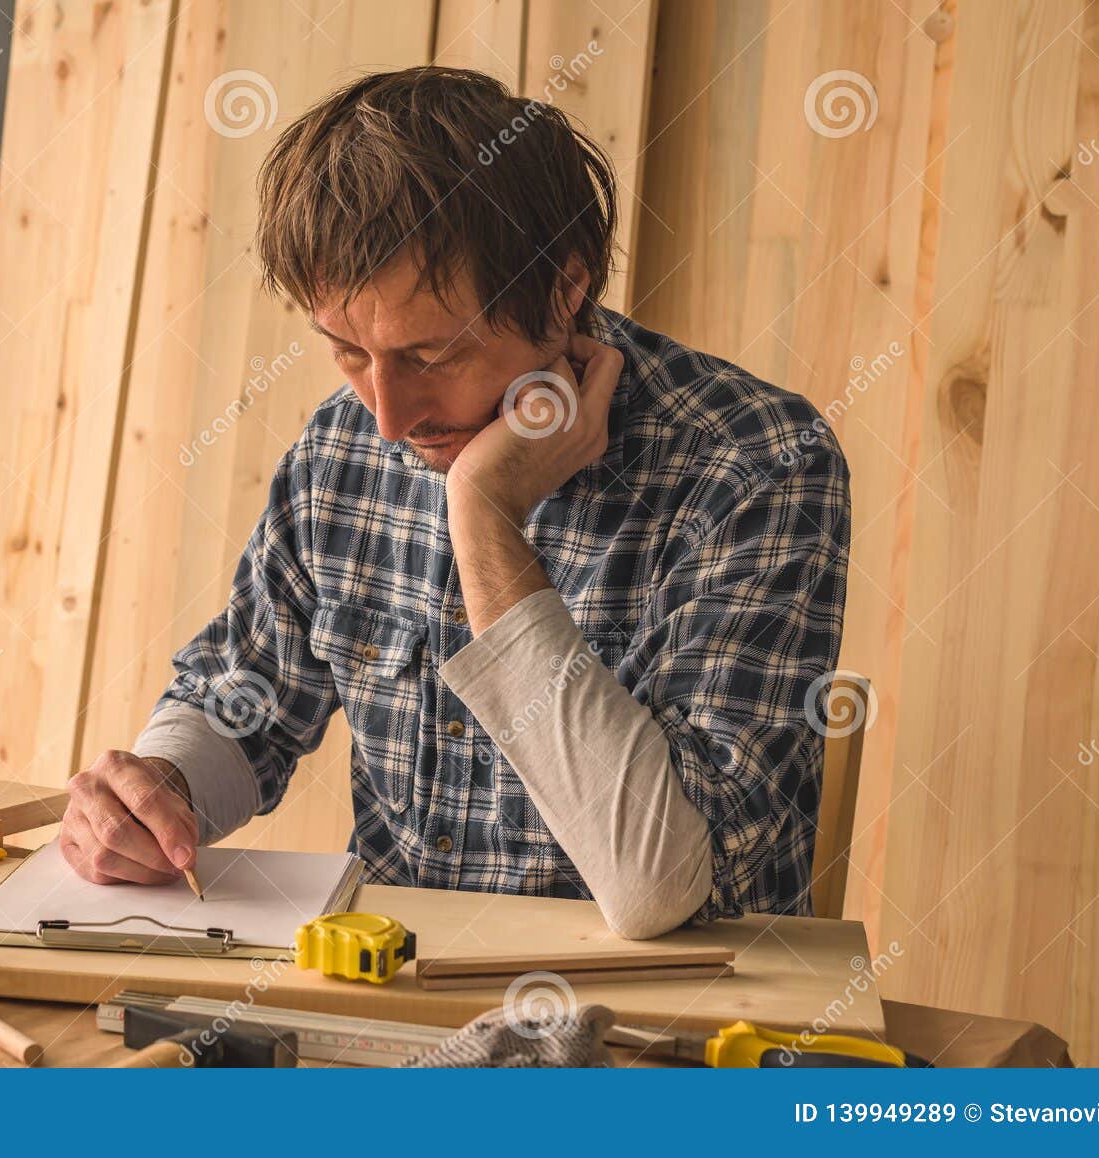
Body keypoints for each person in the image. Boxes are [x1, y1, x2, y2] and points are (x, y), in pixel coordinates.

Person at [59, 67, 850, 937]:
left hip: (664, 1036)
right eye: (349, 354)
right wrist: (156, 791)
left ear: (564, 291)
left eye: (431, 356)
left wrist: (483, 513)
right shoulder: (342, 447)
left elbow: (659, 885)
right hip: (399, 1011)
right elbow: (239, 700)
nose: (389, 418)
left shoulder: (759, 467)